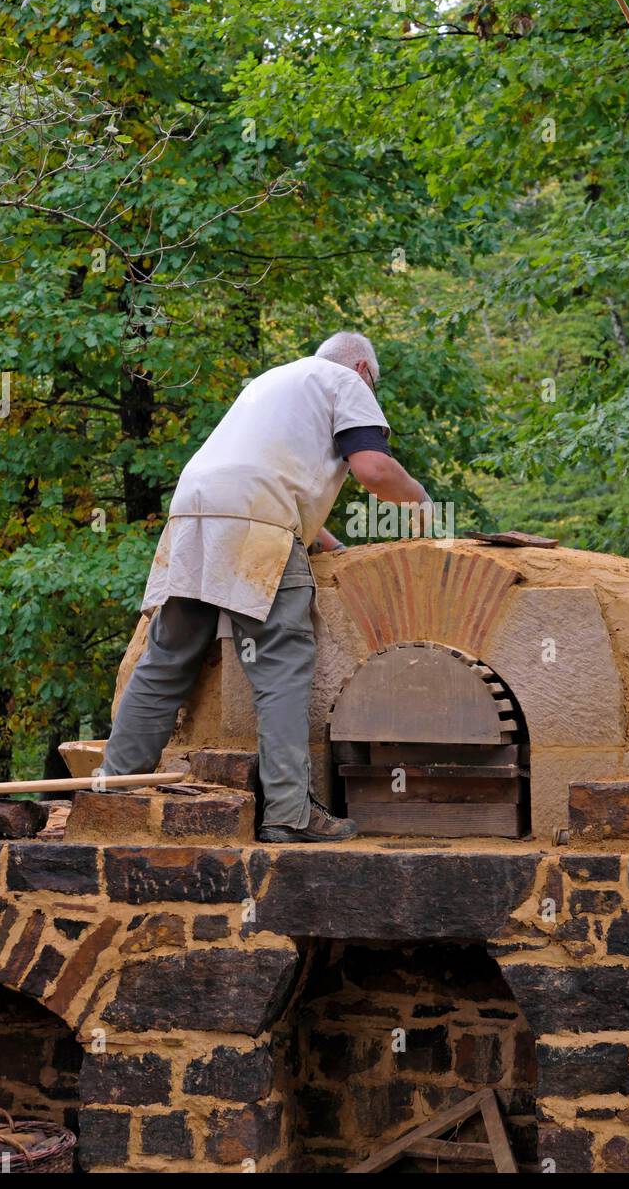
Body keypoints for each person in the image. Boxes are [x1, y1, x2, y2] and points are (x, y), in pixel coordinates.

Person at [99, 331, 430, 843]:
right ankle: (289, 814)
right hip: (256, 521)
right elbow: (373, 469)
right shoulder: (346, 380)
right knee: (281, 663)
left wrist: (330, 546)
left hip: (195, 509)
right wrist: (419, 498)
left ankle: (114, 796)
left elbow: (260, 476)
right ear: (363, 369)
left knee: (167, 659)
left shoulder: (272, 382)